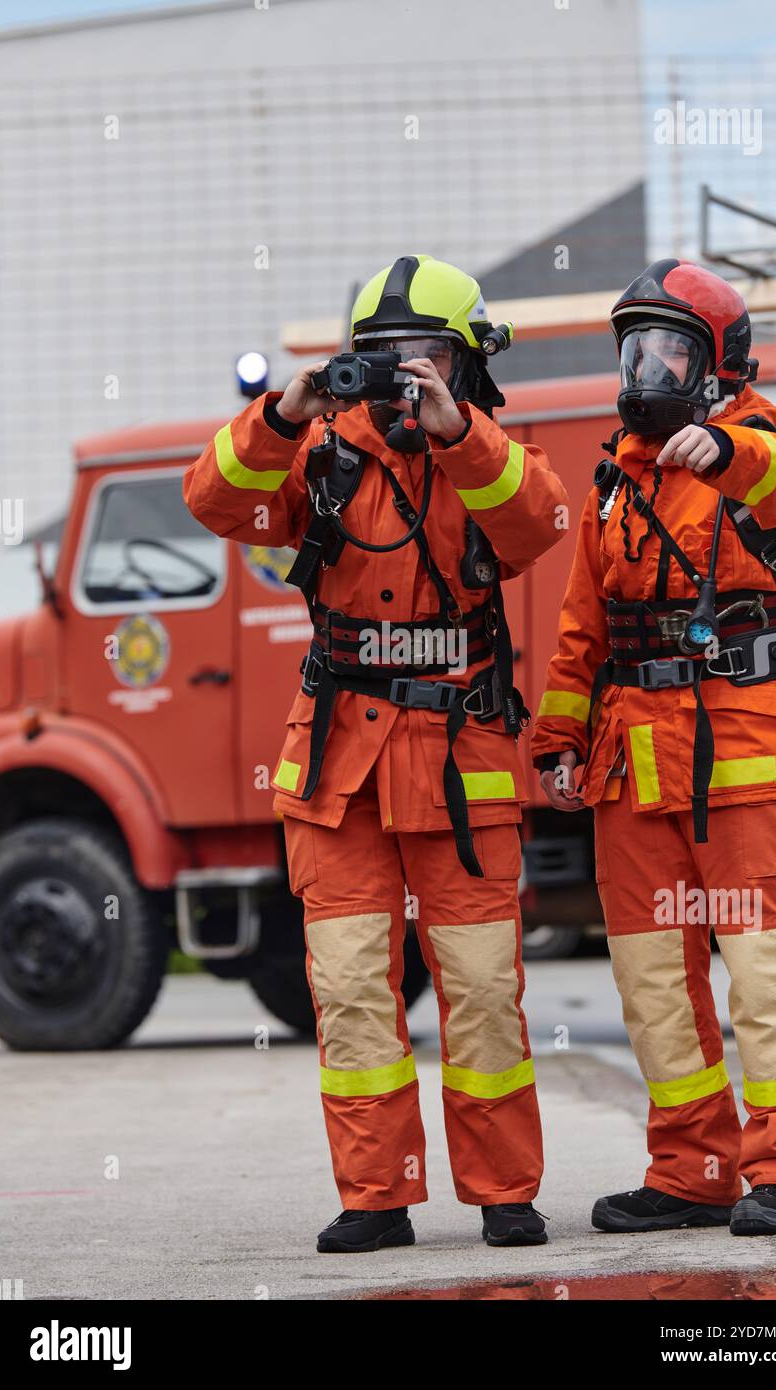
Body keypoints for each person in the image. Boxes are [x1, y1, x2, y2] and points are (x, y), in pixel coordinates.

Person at [184, 254, 568, 1251]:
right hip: (338, 775)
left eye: (427, 358)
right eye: (384, 360)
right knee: (352, 988)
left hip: (460, 769)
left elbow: (539, 524)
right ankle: (376, 1195)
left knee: (482, 988)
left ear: (469, 364)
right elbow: (212, 503)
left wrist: (458, 435)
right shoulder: (318, 458)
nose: (404, 378)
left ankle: (502, 1190)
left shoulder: (487, 459)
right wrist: (281, 412)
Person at [531, 259, 776, 1237]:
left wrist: (728, 455)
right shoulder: (613, 481)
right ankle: (692, 1167)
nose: (644, 367)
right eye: (633, 347)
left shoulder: (755, 453)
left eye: (666, 347)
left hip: (739, 764)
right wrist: (556, 736)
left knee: (758, 971)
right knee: (654, 979)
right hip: (633, 770)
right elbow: (580, 628)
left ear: (715, 367)